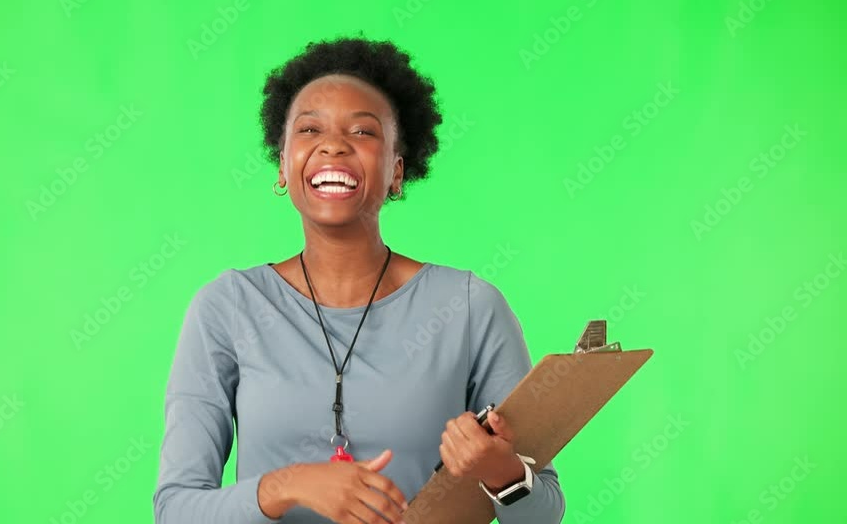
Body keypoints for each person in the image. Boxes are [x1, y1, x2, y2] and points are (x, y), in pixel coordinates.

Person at [153, 37, 566, 523]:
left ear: (396, 172)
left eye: (364, 132)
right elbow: (176, 510)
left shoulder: (471, 306)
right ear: (283, 166)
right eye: (309, 129)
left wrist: (500, 472)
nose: (333, 145)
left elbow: (545, 514)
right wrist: (288, 485)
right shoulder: (227, 307)